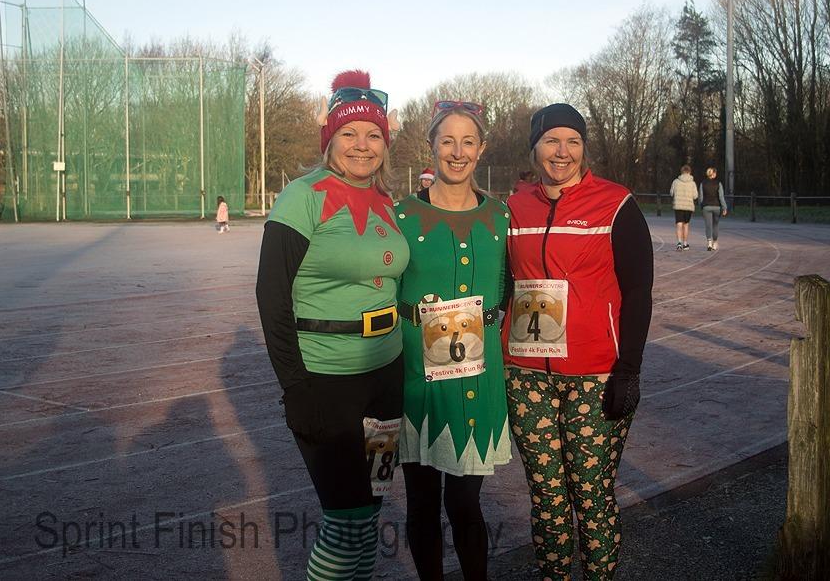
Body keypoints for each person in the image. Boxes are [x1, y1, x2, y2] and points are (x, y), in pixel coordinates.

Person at [255, 70, 409, 581]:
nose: (362, 145)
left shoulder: (390, 202)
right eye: (349, 134)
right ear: (330, 140)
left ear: (386, 143)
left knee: (371, 512)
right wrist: (296, 387)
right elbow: (270, 296)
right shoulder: (303, 196)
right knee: (344, 519)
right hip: (327, 380)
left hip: (386, 378)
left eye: (374, 134)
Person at [503, 103, 654, 579]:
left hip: (594, 377)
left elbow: (638, 291)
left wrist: (629, 367)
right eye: (551, 141)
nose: (561, 151)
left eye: (572, 141)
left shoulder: (616, 204)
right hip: (526, 377)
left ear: (584, 148)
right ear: (535, 149)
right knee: (547, 500)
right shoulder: (512, 206)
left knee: (591, 497)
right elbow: (497, 281)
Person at [395, 99, 511, 581]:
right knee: (421, 502)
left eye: (468, 141)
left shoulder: (502, 217)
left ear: (481, 148)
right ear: (432, 147)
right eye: (448, 141)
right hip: (415, 378)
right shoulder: (399, 215)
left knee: (464, 500)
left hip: (479, 377)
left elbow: (515, 286)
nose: (457, 152)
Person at [698, 167, 728, 251]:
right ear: (713, 174)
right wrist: (724, 207)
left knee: (708, 226)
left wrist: (701, 206)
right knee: (715, 225)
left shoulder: (702, 183)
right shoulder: (718, 183)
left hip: (706, 207)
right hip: (717, 207)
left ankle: (709, 242)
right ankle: (715, 243)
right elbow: (721, 197)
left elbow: (701, 197)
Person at [669, 164, 697, 250]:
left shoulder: (675, 181)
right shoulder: (692, 183)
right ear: (689, 172)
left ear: (681, 172)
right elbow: (695, 196)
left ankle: (679, 243)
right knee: (686, 225)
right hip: (688, 206)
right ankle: (685, 244)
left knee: (679, 224)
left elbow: (671, 193)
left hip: (678, 205)